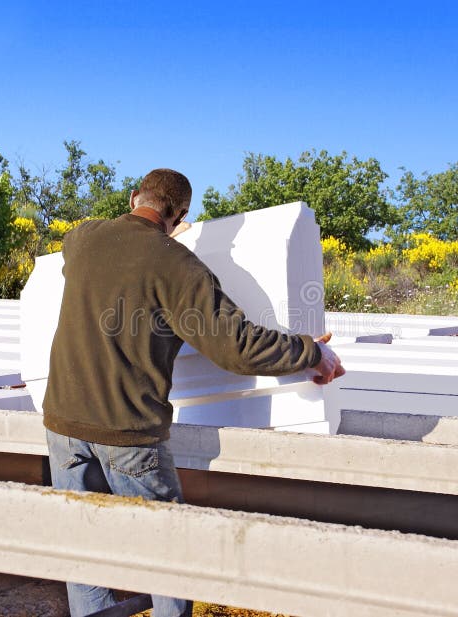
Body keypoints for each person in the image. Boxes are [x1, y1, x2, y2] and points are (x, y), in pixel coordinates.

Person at [43, 168, 345, 617]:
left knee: (81, 548)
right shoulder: (177, 266)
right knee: (169, 551)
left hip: (62, 426)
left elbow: (101, 250)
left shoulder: (83, 239)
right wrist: (309, 354)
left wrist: (156, 234)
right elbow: (237, 346)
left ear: (133, 199)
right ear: (181, 213)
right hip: (127, 434)